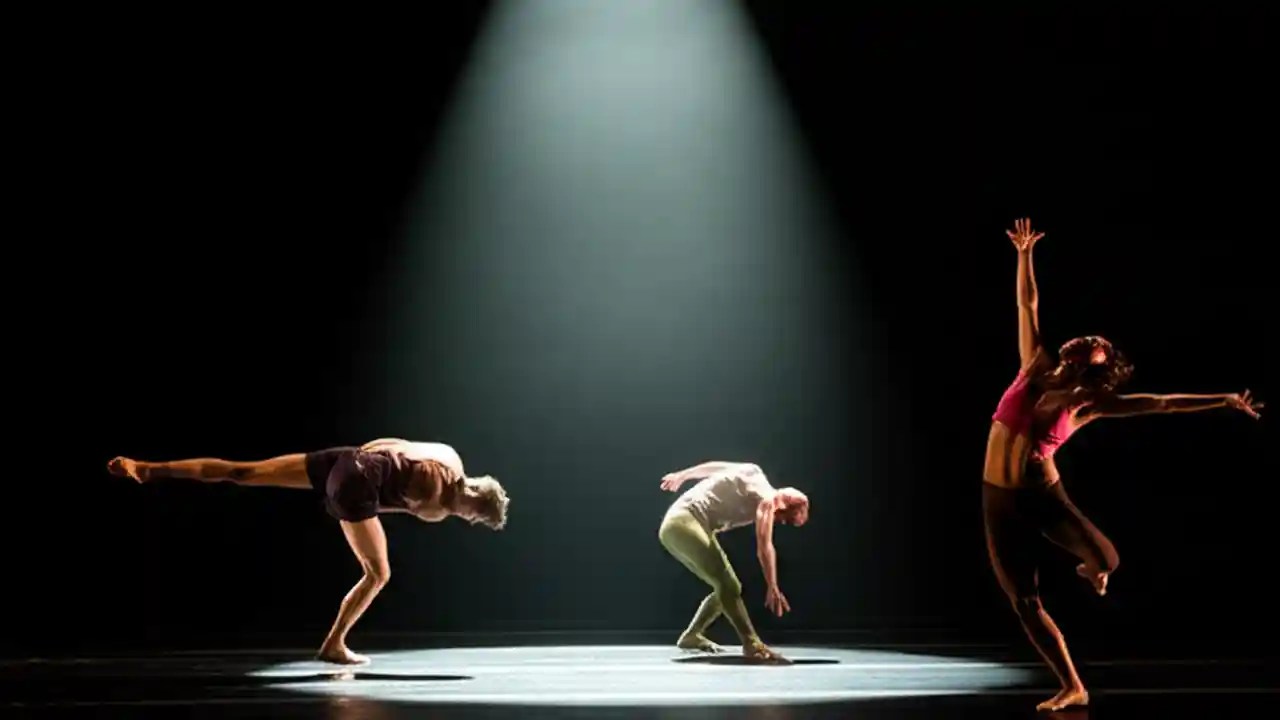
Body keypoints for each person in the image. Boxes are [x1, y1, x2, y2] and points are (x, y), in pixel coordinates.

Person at [984, 218, 1263, 711]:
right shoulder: (1033, 369)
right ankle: (1072, 685)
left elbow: (1161, 403)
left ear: (1097, 367)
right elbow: (1027, 306)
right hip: (998, 499)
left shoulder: (1087, 407)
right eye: (1086, 343)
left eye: (1096, 350)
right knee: (1024, 601)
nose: (1086, 346)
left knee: (1106, 560)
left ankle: (1094, 571)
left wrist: (1222, 400)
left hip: (1042, 494)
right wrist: (1024, 255)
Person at [107, 438, 509, 664]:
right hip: (357, 484)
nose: (464, 519)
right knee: (378, 573)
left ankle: (148, 467)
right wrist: (360, 493)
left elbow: (385, 444)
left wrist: (351, 473)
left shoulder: (450, 453)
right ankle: (334, 644)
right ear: (476, 497)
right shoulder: (438, 500)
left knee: (241, 470)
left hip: (346, 459)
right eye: (472, 516)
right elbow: (410, 495)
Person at [657, 460, 809, 664]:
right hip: (685, 523)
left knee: (728, 586)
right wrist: (772, 585)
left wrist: (683, 475)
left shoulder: (753, 471)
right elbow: (765, 546)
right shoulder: (769, 501)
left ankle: (691, 636)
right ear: (782, 506)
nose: (779, 522)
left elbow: (714, 468)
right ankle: (752, 644)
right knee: (727, 585)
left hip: (675, 527)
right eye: (784, 519)